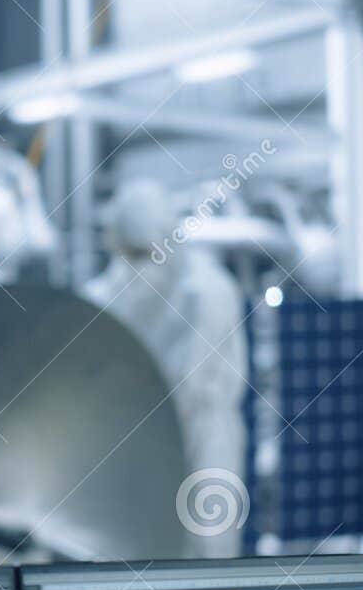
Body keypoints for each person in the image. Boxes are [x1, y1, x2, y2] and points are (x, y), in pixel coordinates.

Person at [83, 180, 249, 556]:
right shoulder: (110, 289)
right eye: (128, 253)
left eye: (145, 253)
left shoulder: (206, 292)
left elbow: (189, 386)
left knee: (207, 550)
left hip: (204, 437)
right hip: (136, 442)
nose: (137, 266)